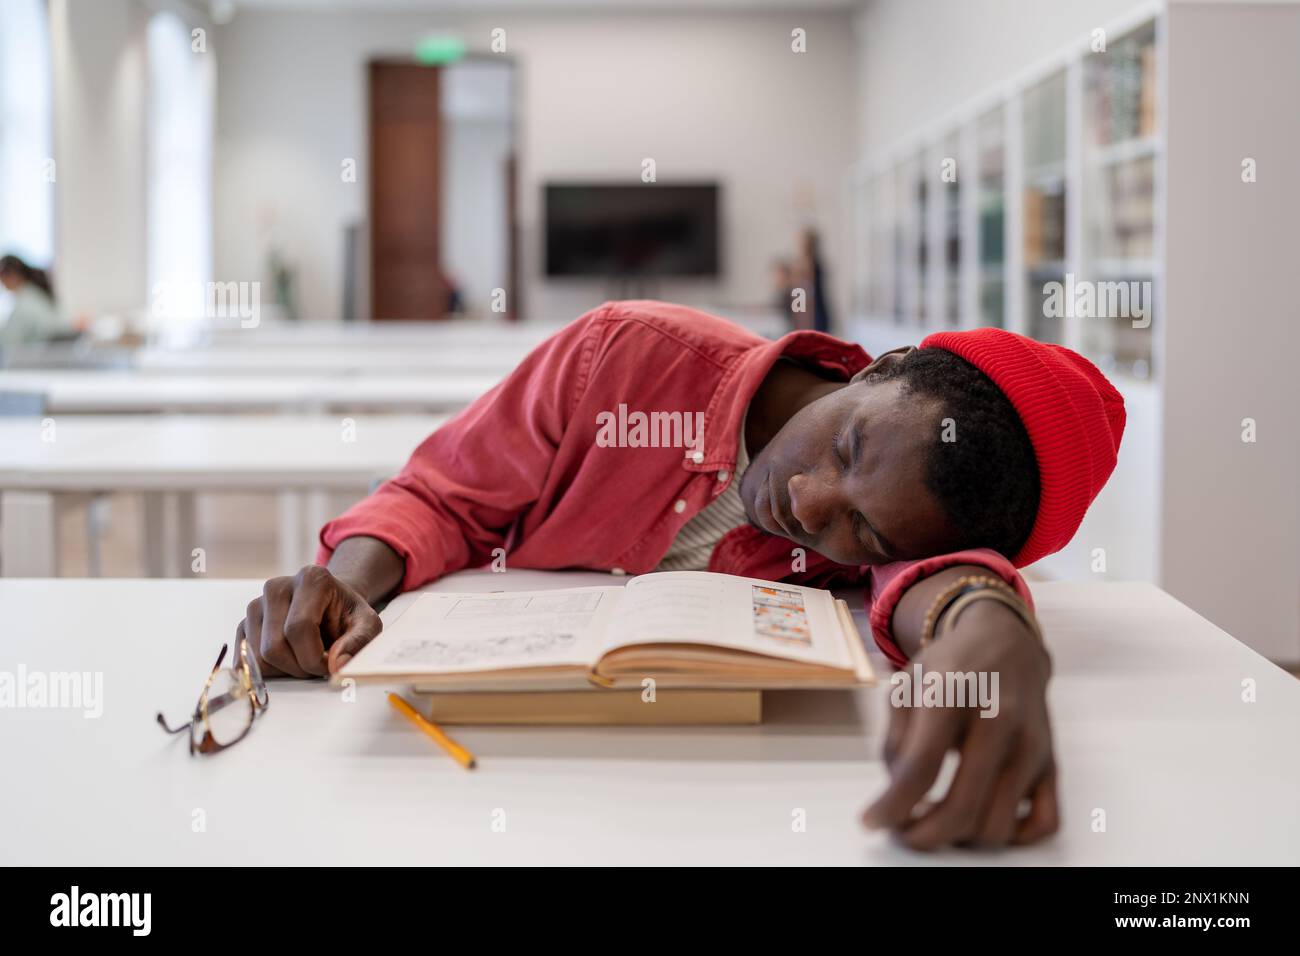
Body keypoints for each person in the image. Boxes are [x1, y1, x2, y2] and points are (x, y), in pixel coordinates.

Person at [237, 300, 1124, 851]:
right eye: (847, 443)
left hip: (619, 793)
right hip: (437, 767)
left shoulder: (910, 519)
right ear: (879, 367)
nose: (810, 503)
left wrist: (995, 628)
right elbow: (440, 496)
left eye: (861, 528)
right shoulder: (623, 356)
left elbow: (938, 582)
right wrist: (349, 580)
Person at [0, 254, 66, 347]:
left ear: (12, 275)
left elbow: (9, 341)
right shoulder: (34, 293)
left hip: (38, 356)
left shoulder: (26, 303)